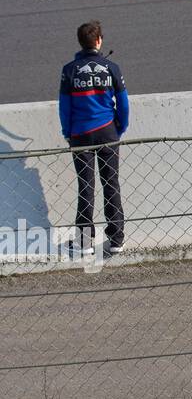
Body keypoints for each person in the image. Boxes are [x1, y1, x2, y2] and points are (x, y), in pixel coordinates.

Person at [58, 21, 129, 255]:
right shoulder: (112, 67)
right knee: (111, 183)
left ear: (80, 41)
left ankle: (84, 242)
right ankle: (117, 239)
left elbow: (64, 109)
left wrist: (67, 132)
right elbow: (124, 104)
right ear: (99, 41)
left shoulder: (69, 70)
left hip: (80, 135)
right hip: (108, 131)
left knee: (86, 186)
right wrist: (120, 128)